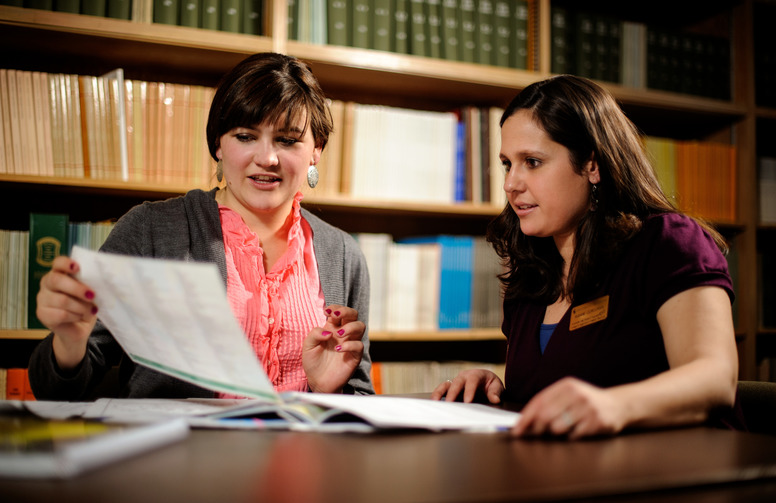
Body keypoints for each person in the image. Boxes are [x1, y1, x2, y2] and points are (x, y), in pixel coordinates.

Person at [29, 52, 374, 400]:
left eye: (287, 140)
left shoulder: (343, 255)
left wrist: (327, 390)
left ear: (316, 149)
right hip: (180, 452)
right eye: (245, 136)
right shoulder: (150, 230)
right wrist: (69, 343)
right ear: (218, 144)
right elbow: (56, 393)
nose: (267, 158)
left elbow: (360, 398)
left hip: (303, 453)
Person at [431, 75, 739, 439]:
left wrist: (614, 405)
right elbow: (557, 389)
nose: (511, 184)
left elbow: (715, 379)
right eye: (506, 164)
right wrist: (496, 390)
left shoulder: (670, 243)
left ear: (592, 165)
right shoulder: (530, 276)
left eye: (531, 161)